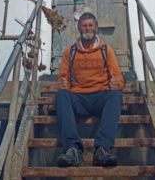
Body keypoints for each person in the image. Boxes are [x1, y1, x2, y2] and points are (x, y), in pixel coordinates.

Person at [54, 12, 125, 168]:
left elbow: (118, 76)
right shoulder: (70, 51)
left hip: (100, 96)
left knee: (116, 96)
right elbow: (62, 77)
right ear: (79, 28)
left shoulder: (106, 50)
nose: (88, 28)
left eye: (90, 25)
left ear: (96, 28)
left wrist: (117, 84)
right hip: (78, 98)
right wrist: (62, 83)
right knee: (61, 96)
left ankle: (102, 149)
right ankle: (73, 150)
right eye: (84, 25)